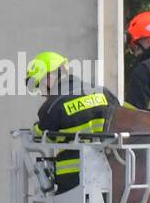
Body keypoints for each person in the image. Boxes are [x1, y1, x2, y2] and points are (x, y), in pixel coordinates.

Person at [26, 50, 120, 193]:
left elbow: (41, 135)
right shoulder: (103, 93)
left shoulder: (52, 105)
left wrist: (35, 129)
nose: (42, 93)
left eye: (40, 85)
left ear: (50, 77)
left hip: (72, 181)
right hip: (110, 177)